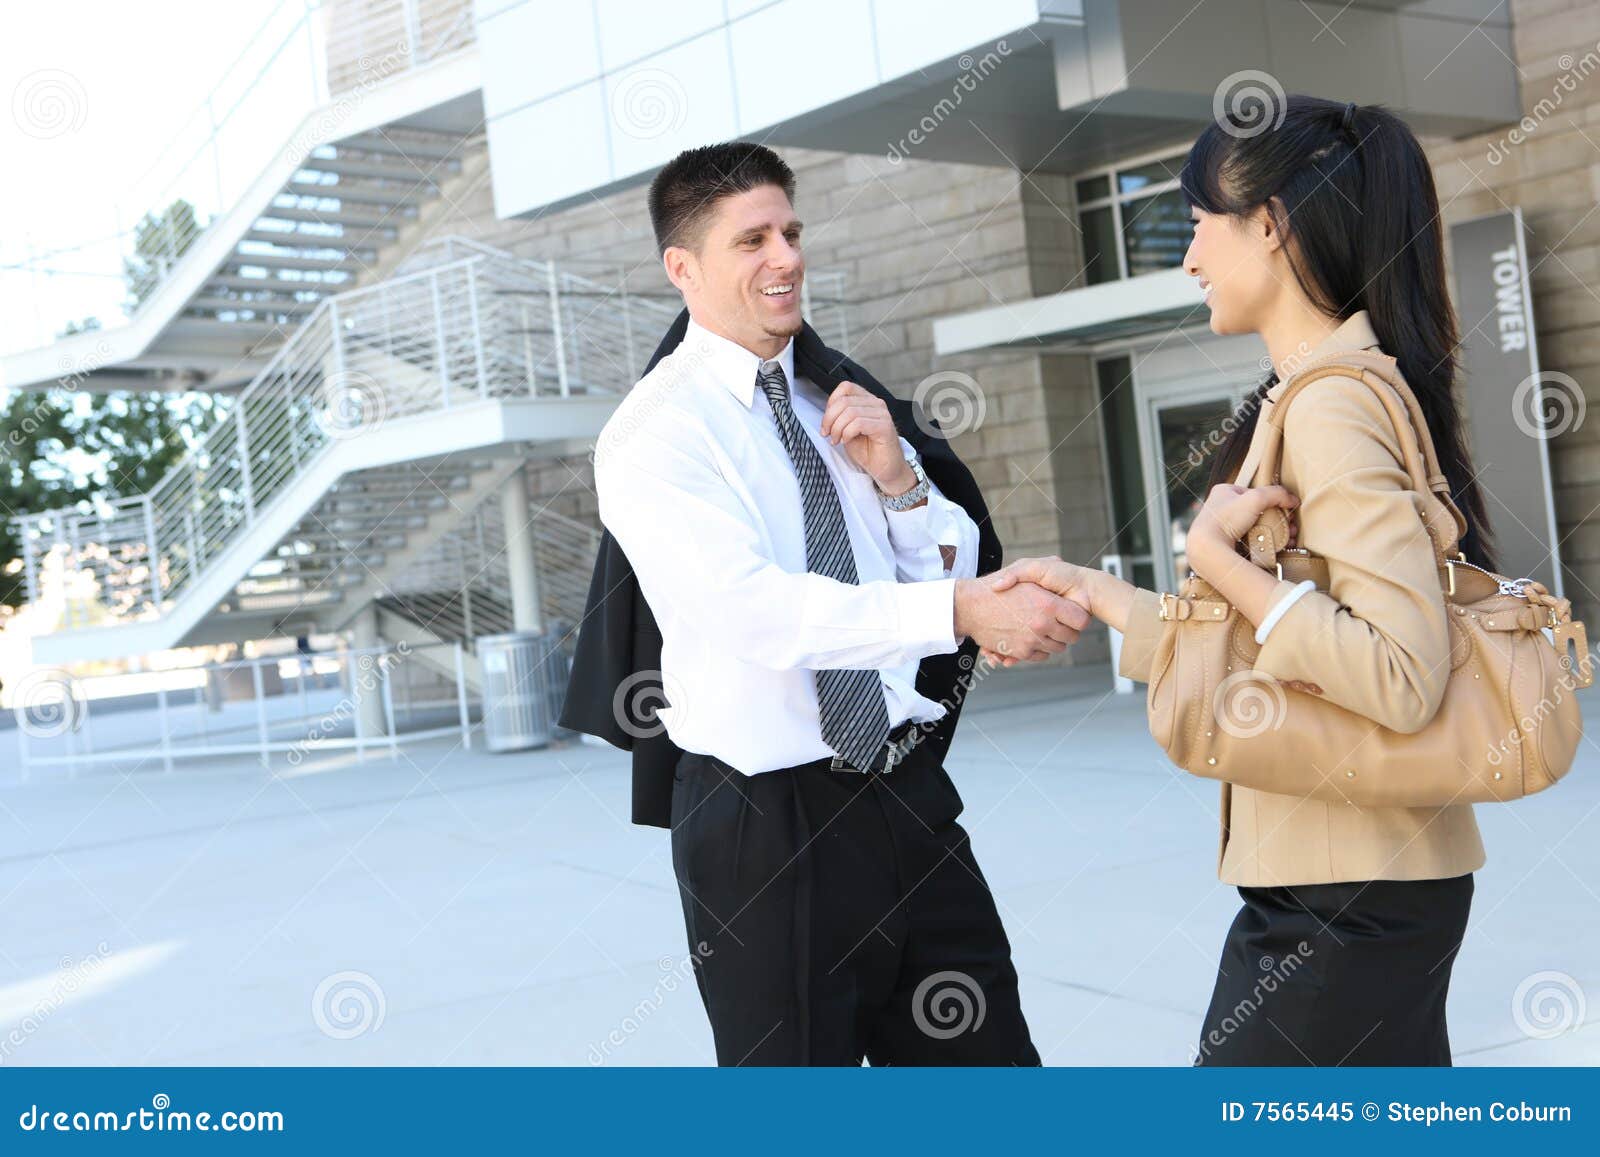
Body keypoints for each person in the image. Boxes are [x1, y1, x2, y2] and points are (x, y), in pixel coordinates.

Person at [991, 97, 1492, 1065]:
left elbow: (1399, 674)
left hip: (1347, 899)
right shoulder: (1309, 395)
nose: (1188, 258)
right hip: (1352, 880)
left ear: (1269, 223)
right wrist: (1097, 592)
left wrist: (1214, 560)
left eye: (1196, 222)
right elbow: (1280, 646)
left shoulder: (1331, 407)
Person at [579, 142, 1089, 1065]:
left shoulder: (837, 398)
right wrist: (961, 612)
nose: (787, 257)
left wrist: (897, 480)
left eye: (792, 231)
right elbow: (755, 613)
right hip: (765, 831)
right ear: (683, 268)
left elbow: (942, 559)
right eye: (753, 240)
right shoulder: (654, 432)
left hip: (904, 797)